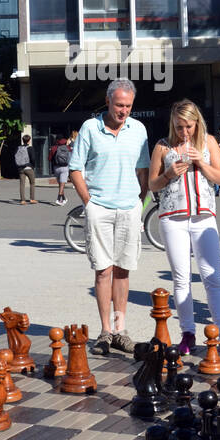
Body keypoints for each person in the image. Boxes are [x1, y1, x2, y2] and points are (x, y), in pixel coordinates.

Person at [68, 79, 150, 354]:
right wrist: (89, 203)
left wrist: (140, 202)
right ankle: (105, 331)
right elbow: (75, 169)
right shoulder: (90, 128)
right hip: (99, 207)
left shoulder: (138, 130)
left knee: (123, 270)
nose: (123, 111)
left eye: (128, 106)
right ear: (107, 102)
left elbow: (143, 171)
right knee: (103, 270)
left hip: (129, 207)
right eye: (119, 105)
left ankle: (120, 329)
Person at [148, 101, 220, 354]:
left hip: (203, 218)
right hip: (172, 218)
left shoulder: (207, 141)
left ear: (197, 122)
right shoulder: (163, 145)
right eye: (179, 126)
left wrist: (203, 164)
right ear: (172, 124)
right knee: (181, 279)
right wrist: (168, 174)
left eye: (188, 126)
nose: (184, 131)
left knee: (212, 277)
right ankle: (188, 333)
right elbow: (153, 184)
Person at [15, 135, 37, 204]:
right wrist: (33, 166)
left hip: (20, 168)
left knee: (22, 184)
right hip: (28, 168)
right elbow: (33, 158)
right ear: (29, 140)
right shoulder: (30, 148)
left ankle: (22, 200)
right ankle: (32, 199)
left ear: (23, 140)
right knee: (32, 183)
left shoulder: (18, 148)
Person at [50, 136, 72, 206]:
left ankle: (63, 198)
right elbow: (71, 158)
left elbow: (49, 158)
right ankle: (59, 197)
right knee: (62, 184)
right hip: (65, 167)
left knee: (60, 184)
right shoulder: (68, 148)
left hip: (56, 168)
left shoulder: (54, 148)